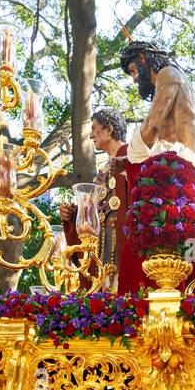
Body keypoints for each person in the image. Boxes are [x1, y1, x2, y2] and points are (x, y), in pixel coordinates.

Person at [120, 38, 195, 288]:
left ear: (143, 59)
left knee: (148, 251)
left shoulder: (168, 74)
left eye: (134, 71)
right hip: (188, 181)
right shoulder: (178, 79)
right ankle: (190, 299)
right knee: (190, 251)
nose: (135, 79)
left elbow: (153, 124)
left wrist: (133, 150)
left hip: (170, 178)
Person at [59, 108, 133, 293]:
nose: (91, 135)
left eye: (95, 128)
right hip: (104, 252)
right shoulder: (103, 173)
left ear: (108, 130)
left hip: (125, 250)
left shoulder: (132, 158)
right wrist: (74, 215)